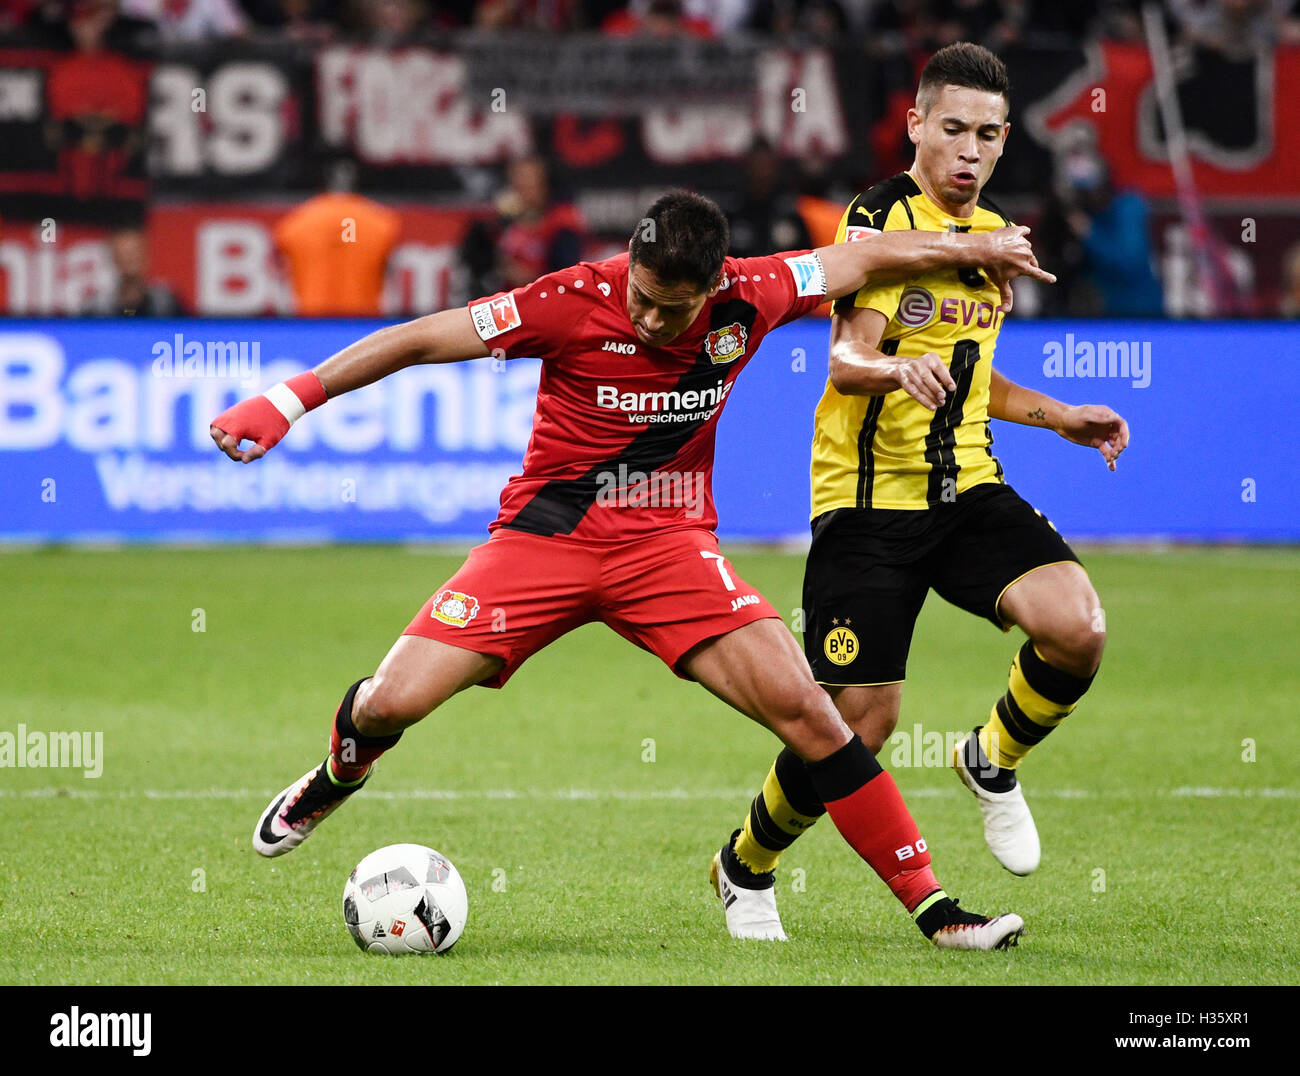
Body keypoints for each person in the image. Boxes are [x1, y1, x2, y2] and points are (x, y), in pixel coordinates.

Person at [210, 189, 1053, 951]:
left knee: (813, 713)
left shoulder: (754, 293)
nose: (649, 320)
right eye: (641, 297)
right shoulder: (567, 299)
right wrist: (287, 400)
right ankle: (338, 773)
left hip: (667, 549)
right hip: (544, 541)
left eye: (671, 309)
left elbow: (863, 255)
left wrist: (968, 247)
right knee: (390, 702)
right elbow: (418, 339)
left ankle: (934, 909)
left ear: (715, 283)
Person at [710, 43, 1130, 941]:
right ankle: (745, 863)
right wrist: (897, 373)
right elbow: (847, 358)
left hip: (968, 487)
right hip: (867, 501)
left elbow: (977, 379)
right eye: (951, 130)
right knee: (860, 724)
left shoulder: (995, 240)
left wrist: (1057, 414)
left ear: (1006, 140)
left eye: (986, 135)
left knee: (1078, 628)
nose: (968, 151)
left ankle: (991, 758)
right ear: (915, 127)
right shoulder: (876, 219)